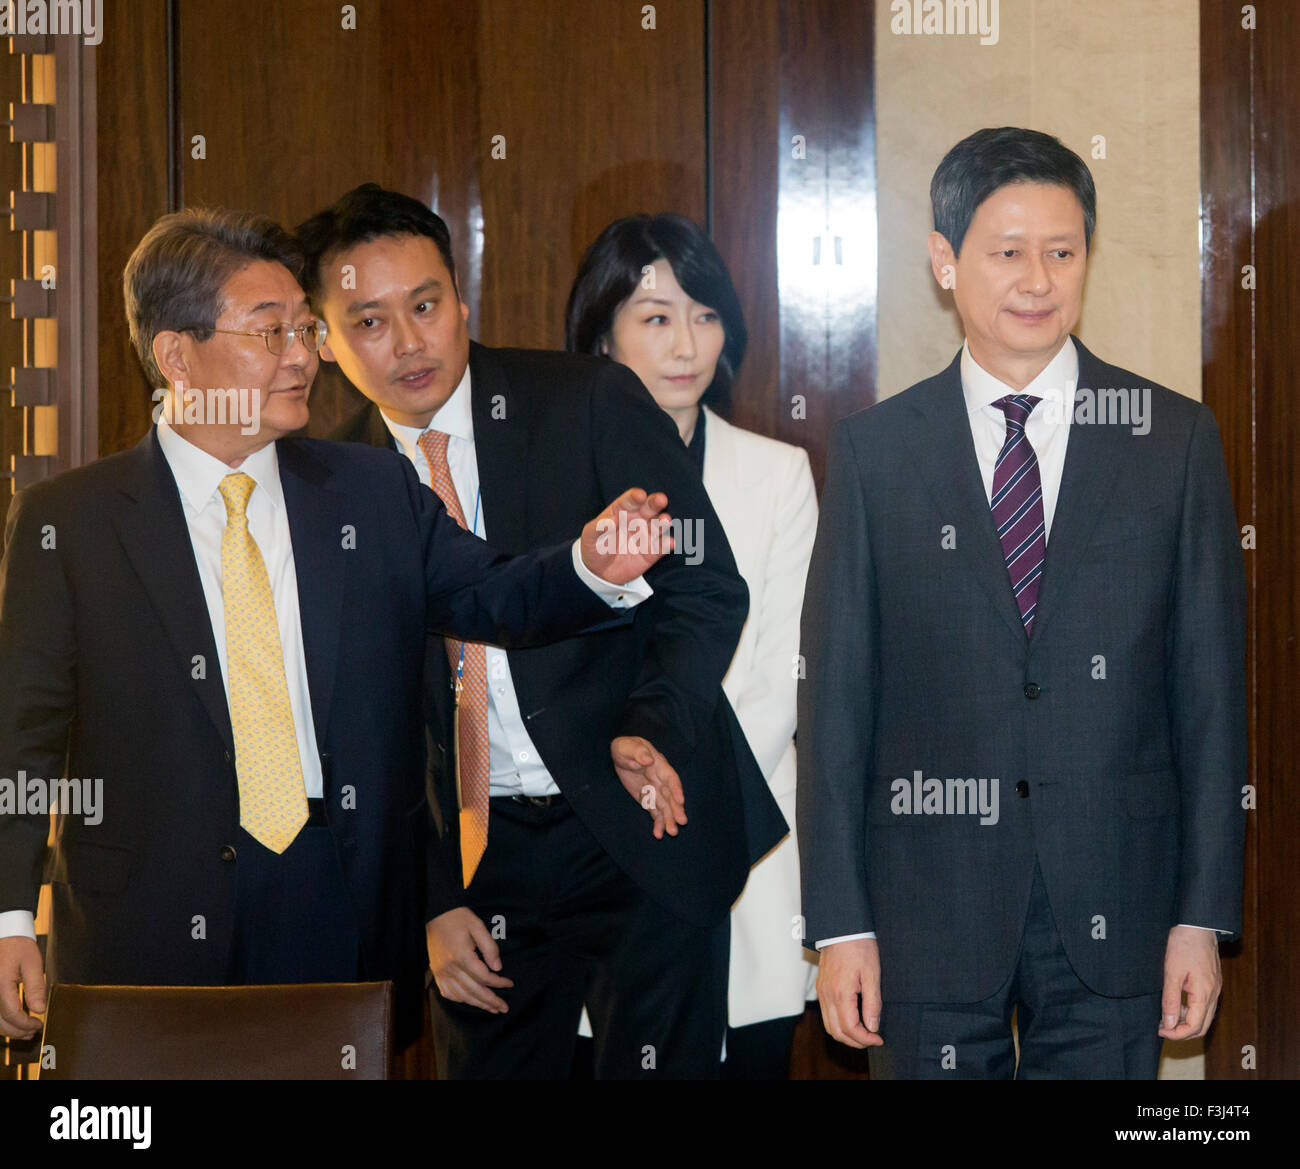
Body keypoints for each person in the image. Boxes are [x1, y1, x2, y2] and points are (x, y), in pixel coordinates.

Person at [0, 207, 675, 1055]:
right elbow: (20, 740)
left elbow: (495, 592)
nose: (302, 354)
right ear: (178, 355)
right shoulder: (73, 522)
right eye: (269, 329)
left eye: (304, 327)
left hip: (336, 898)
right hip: (148, 921)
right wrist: (8, 916)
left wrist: (587, 566)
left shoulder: (369, 491)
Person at [296, 185, 787, 1079]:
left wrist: (654, 725)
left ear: (462, 298)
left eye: (427, 304)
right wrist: (433, 898)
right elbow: (360, 725)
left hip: (639, 820)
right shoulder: (329, 488)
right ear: (324, 342)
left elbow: (705, 589)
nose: (409, 342)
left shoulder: (587, 401)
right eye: (369, 320)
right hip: (482, 864)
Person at [799, 126, 1247, 1079]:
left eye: (1062, 250)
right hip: (924, 911)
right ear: (944, 260)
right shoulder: (877, 453)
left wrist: (1200, 915)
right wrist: (838, 922)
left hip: (1120, 908)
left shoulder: (1171, 439)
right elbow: (835, 703)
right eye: (1007, 253)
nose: (1038, 279)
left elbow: (1209, 696)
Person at [565, 213, 819, 1079]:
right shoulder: (557, 473)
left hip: (737, 830)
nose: (687, 344)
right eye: (656, 316)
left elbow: (785, 672)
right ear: (602, 335)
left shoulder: (778, 471)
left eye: (706, 315)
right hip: (602, 843)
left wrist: (670, 770)